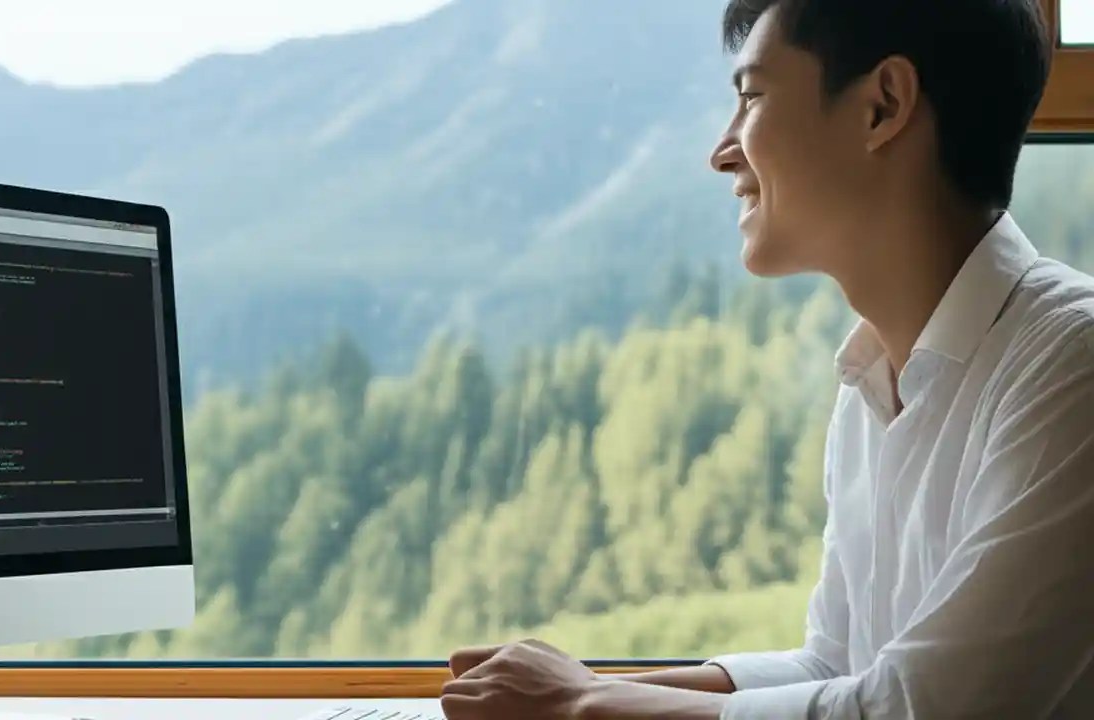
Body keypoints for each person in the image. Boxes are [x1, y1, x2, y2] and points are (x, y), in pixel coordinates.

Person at [438, 0, 1094, 718]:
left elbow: (924, 707)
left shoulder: (1071, 364)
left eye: (751, 97)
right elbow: (838, 662)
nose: (723, 151)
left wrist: (582, 705)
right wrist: (573, 690)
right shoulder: (873, 382)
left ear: (883, 106)